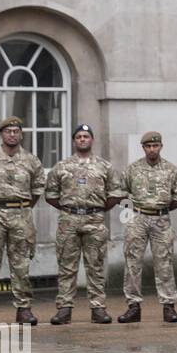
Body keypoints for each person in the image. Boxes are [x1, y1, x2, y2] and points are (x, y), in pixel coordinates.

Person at [44, 124, 125, 325]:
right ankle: (64, 309)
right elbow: (51, 195)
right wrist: (69, 209)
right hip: (68, 221)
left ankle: (98, 308)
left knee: (95, 266)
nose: (82, 139)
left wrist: (96, 209)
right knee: (66, 267)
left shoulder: (104, 166)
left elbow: (115, 194)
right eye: (79, 136)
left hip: (95, 220)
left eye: (86, 136)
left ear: (92, 140)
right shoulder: (62, 166)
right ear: (74, 141)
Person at [0, 116, 45, 328]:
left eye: (16, 131)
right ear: (1, 134)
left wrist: (20, 207)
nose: (12, 134)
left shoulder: (32, 161)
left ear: (21, 134)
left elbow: (37, 190)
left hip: (21, 215)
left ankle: (24, 309)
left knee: (21, 263)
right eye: (8, 131)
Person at [120, 130, 177, 323]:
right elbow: (121, 195)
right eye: (148, 146)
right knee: (132, 262)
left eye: (155, 146)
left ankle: (168, 306)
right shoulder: (132, 169)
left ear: (161, 147)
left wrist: (160, 210)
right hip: (137, 218)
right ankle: (133, 306)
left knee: (164, 262)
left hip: (161, 219)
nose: (151, 149)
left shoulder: (171, 170)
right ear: (143, 148)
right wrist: (134, 214)